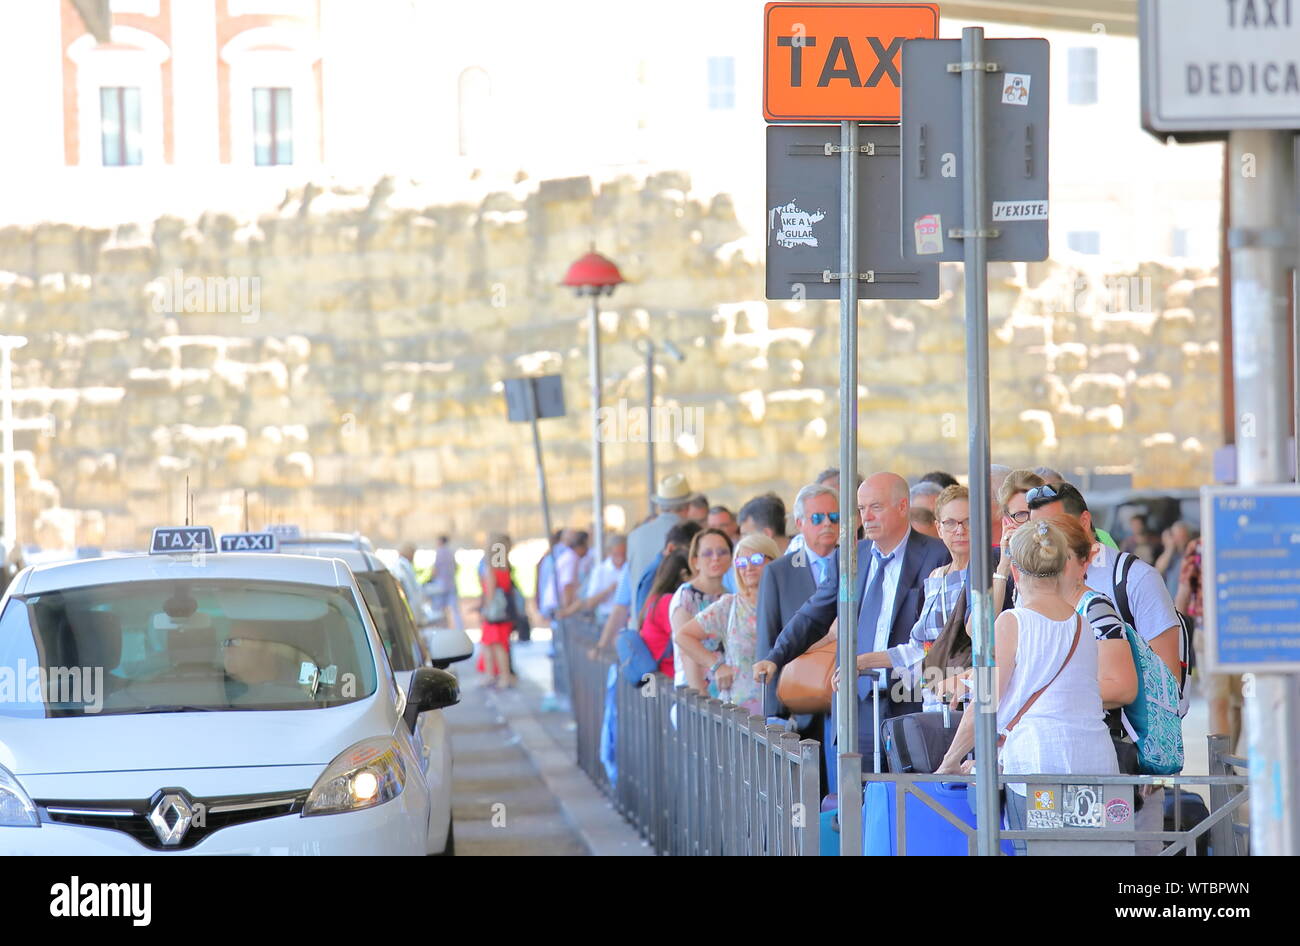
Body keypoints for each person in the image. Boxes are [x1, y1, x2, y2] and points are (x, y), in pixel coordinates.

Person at [936, 520, 1120, 854]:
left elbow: (986, 701)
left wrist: (950, 760)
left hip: (1039, 764)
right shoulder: (1082, 623)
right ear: (1065, 566)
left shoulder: (1013, 621)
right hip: (1095, 761)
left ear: (1016, 574)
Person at [754, 472, 950, 771]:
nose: (866, 517)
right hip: (857, 703)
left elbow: (942, 637)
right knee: (856, 801)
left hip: (913, 701)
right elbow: (813, 614)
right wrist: (776, 656)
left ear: (902, 507)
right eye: (861, 509)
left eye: (876, 507)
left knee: (911, 801)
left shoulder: (936, 555)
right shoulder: (849, 558)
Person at [1027, 481, 1181, 682]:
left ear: (1084, 521)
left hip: (1118, 712)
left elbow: (1168, 679)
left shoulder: (1136, 578)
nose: (1044, 540)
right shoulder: (1031, 584)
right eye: (1037, 530)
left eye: (1054, 527)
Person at [848, 485, 974, 712]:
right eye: (950, 523)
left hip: (972, 705)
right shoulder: (936, 576)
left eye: (968, 521)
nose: (959, 530)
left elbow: (993, 649)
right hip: (934, 704)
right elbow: (918, 648)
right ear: (939, 527)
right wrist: (861, 661)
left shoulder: (989, 575)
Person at [756, 484, 839, 720]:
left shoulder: (859, 563)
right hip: (798, 704)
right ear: (799, 523)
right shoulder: (778, 572)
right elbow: (767, 640)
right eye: (817, 518)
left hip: (844, 701)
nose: (827, 524)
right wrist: (774, 714)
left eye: (834, 517)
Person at [675, 534, 780, 716]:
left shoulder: (786, 602)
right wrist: (717, 665)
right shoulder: (729, 605)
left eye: (756, 559)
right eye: (740, 562)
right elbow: (683, 636)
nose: (748, 567)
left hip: (783, 708)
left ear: (774, 561)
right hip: (741, 711)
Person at [598, 474, 697, 653]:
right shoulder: (693, 534)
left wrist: (602, 645)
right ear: (688, 506)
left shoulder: (635, 536)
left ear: (659, 506)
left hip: (643, 633)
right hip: (680, 633)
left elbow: (625, 593)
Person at [669, 528, 733, 692]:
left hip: (725, 689)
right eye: (707, 553)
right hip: (695, 692)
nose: (715, 558)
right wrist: (702, 696)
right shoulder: (687, 595)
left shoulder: (729, 596)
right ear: (695, 560)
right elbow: (686, 650)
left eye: (722, 552)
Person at [638, 551, 693, 681]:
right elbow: (683, 639)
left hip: (661, 677)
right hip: (669, 676)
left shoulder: (654, 599)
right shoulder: (668, 601)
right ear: (684, 575)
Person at [478, 533, 520, 688]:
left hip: (494, 614)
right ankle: (500, 675)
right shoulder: (504, 567)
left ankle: (502, 676)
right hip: (504, 613)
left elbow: (490, 592)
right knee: (497, 645)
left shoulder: (491, 569)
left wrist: (485, 610)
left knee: (495, 645)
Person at [561, 533, 627, 627]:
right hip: (606, 617)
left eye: (623, 554)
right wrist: (609, 590)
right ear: (609, 553)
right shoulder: (600, 571)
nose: (621, 558)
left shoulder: (629, 568)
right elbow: (589, 602)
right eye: (616, 554)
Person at [425, 535, 465, 632]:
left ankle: (443, 629)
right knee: (455, 610)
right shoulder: (451, 552)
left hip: (441, 585)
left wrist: (430, 579)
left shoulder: (439, 552)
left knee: (439, 610)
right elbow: (456, 568)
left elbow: (435, 569)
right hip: (451, 584)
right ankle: (459, 630)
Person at [1155, 520, 1194, 599]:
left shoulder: (1192, 555)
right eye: (1176, 536)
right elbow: (1158, 570)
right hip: (1171, 604)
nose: (1179, 540)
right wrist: (1169, 548)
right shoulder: (1171, 555)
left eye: (1182, 536)